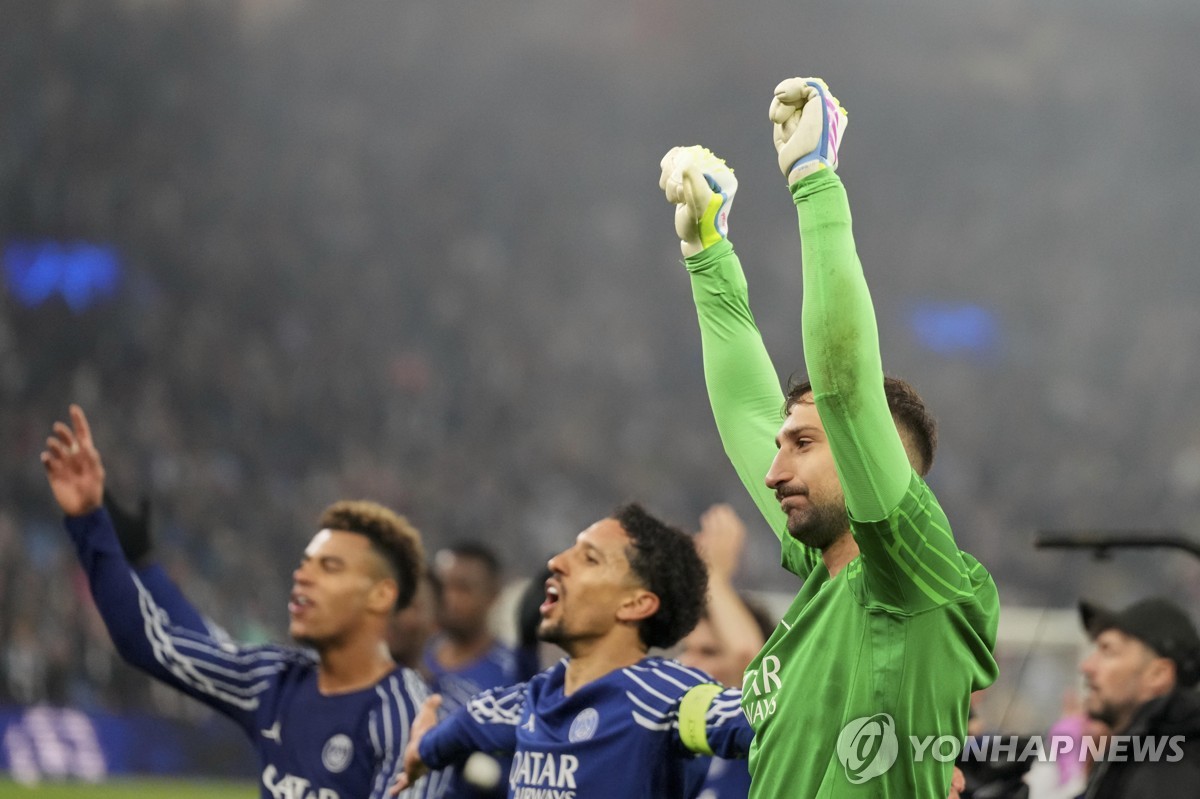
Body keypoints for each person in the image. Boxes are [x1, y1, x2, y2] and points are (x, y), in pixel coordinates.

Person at [659, 77, 1000, 797]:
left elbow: (844, 381)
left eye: (804, 443)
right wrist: (707, 254)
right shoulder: (823, 579)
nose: (774, 467)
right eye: (785, 444)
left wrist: (815, 182)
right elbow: (749, 412)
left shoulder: (918, 575)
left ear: (866, 451)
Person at [40, 405, 446, 799]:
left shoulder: (402, 713)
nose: (302, 576)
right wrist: (89, 519)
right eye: (305, 564)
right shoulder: (274, 679)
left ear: (380, 595)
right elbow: (151, 643)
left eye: (330, 567)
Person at [392, 503, 752, 798]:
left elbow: (761, 718)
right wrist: (423, 751)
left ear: (636, 604)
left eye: (590, 559)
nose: (557, 562)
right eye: (571, 551)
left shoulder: (663, 698)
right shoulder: (532, 700)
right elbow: (467, 725)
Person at [677, 503, 774, 799]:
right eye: (686, 649)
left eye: (708, 652)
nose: (689, 663)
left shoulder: (767, 739)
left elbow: (747, 657)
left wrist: (715, 579)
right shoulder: (670, 732)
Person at [1077, 597, 1200, 798]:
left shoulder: (1167, 775)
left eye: (1108, 651)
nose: (1087, 667)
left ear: (1158, 675)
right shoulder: (1137, 760)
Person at [423, 543, 519, 799]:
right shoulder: (414, 657)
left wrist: (492, 773)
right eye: (442, 586)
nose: (449, 598)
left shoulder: (512, 673)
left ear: (492, 596)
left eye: (462, 588)